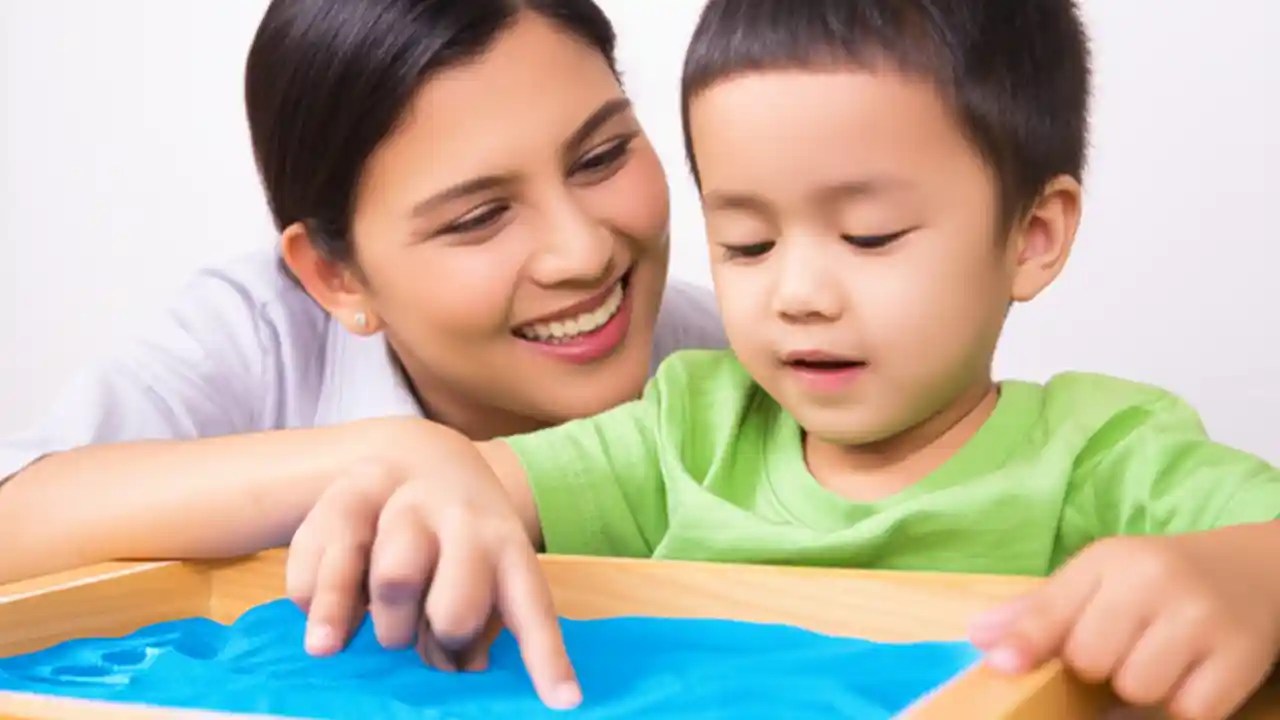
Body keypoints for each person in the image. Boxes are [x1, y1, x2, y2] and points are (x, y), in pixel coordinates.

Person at [289, 0, 1280, 716]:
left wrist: (1248, 575)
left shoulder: (1101, 455)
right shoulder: (686, 433)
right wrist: (433, 493)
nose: (796, 292)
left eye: (869, 236)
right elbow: (474, 484)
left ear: (1031, 235)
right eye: (747, 245)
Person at [0, 0, 726, 584]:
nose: (583, 251)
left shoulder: (745, 359)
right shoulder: (260, 339)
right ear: (333, 275)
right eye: (479, 218)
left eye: (601, 157)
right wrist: (401, 455)